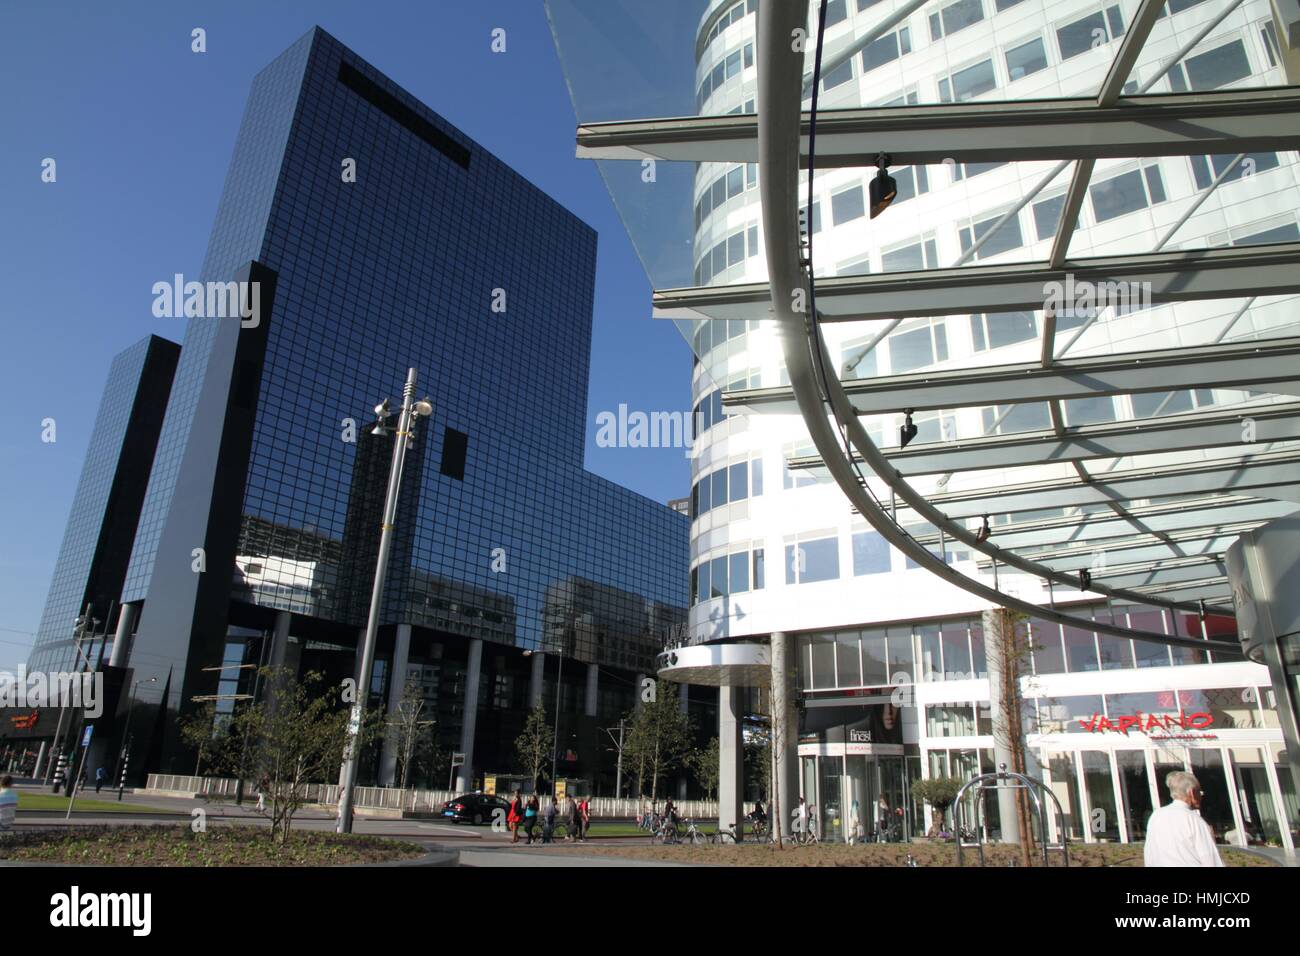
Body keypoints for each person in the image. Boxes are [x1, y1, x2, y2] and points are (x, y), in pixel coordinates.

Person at [1143, 771, 1225, 867]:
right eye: (1200, 792)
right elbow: (1210, 859)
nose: (1201, 796)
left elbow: (1149, 853)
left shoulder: (1156, 816)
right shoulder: (1194, 820)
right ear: (1192, 793)